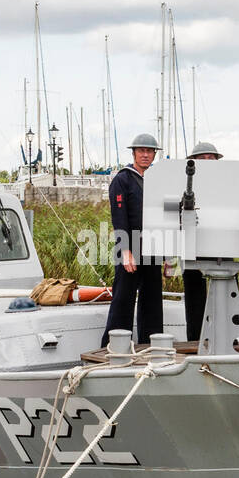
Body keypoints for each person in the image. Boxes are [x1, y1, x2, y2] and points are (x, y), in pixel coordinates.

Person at [101, 133, 163, 347]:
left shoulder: (157, 179)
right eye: (141, 151)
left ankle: (150, 345)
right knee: (123, 298)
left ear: (154, 154)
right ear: (134, 153)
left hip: (154, 244)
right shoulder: (122, 179)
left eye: (149, 151)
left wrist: (167, 255)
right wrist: (125, 250)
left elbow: (166, 217)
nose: (145, 155)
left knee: (152, 299)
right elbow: (119, 217)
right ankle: (113, 346)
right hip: (130, 245)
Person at [182, 141, 222, 343]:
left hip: (221, 244)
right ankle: (195, 340)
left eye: (210, 157)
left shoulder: (226, 182)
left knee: (224, 293)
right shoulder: (184, 181)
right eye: (202, 158)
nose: (207, 161)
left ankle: (226, 338)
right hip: (193, 245)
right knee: (194, 296)